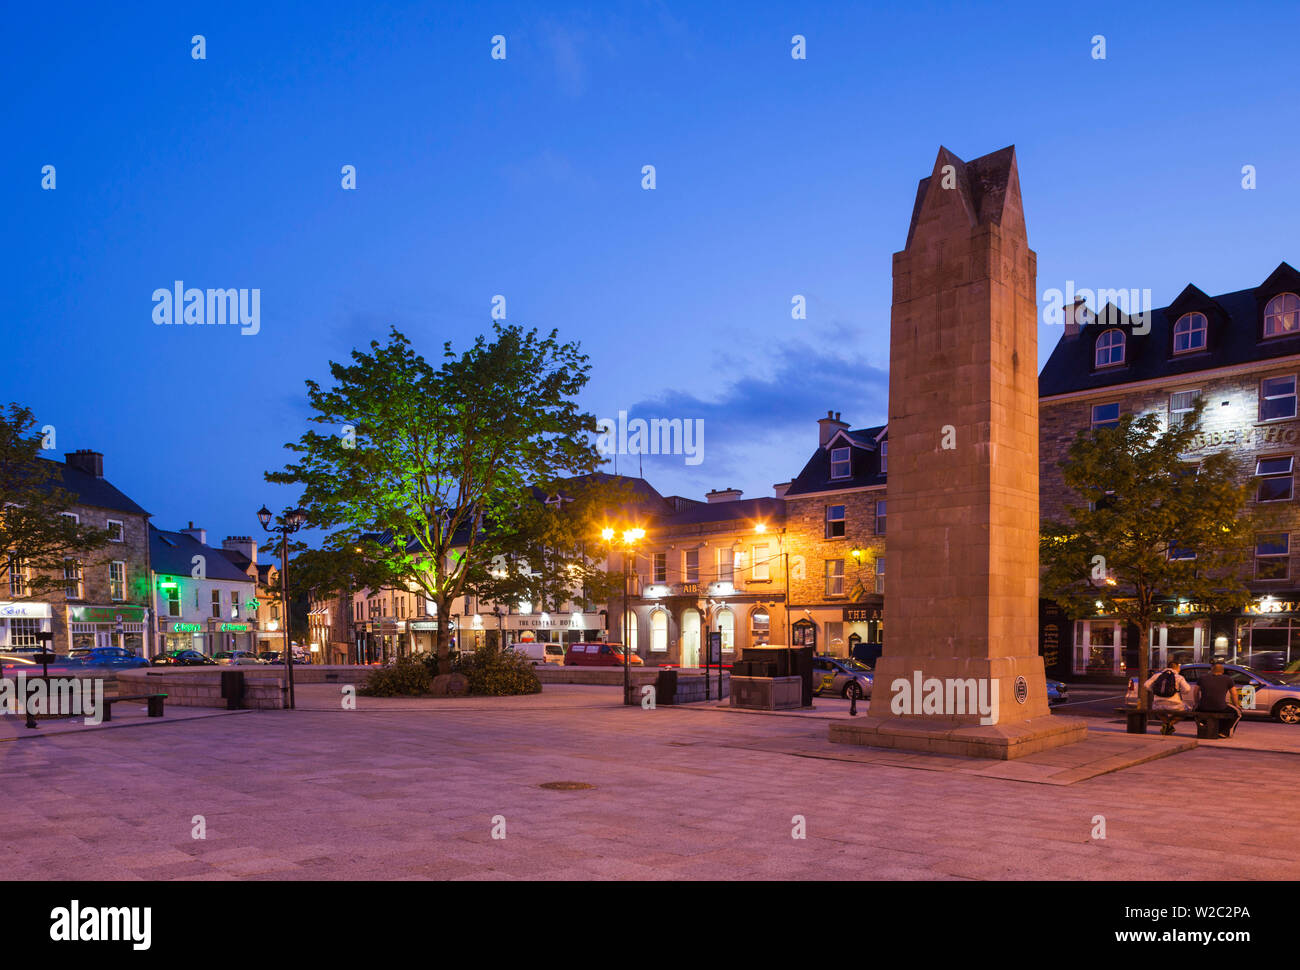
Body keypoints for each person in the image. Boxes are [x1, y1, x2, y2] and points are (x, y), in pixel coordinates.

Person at [1194, 661, 1243, 739]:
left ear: (1212, 670)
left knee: (1196, 711)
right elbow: (1234, 694)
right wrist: (1236, 704)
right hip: (1220, 707)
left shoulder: (1202, 678)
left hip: (1203, 707)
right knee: (1238, 713)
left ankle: (1208, 728)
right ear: (1222, 671)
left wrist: (1197, 703)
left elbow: (1195, 692)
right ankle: (1224, 732)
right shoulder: (1228, 679)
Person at [1142, 660, 1192, 733]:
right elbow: (1187, 689)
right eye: (1179, 667)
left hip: (1158, 704)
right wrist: (1179, 691)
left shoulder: (1157, 675)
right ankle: (1169, 724)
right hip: (1175, 704)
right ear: (1177, 667)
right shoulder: (1179, 677)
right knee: (1187, 710)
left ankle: (1166, 725)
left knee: (1158, 711)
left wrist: (1154, 691)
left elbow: (1146, 685)